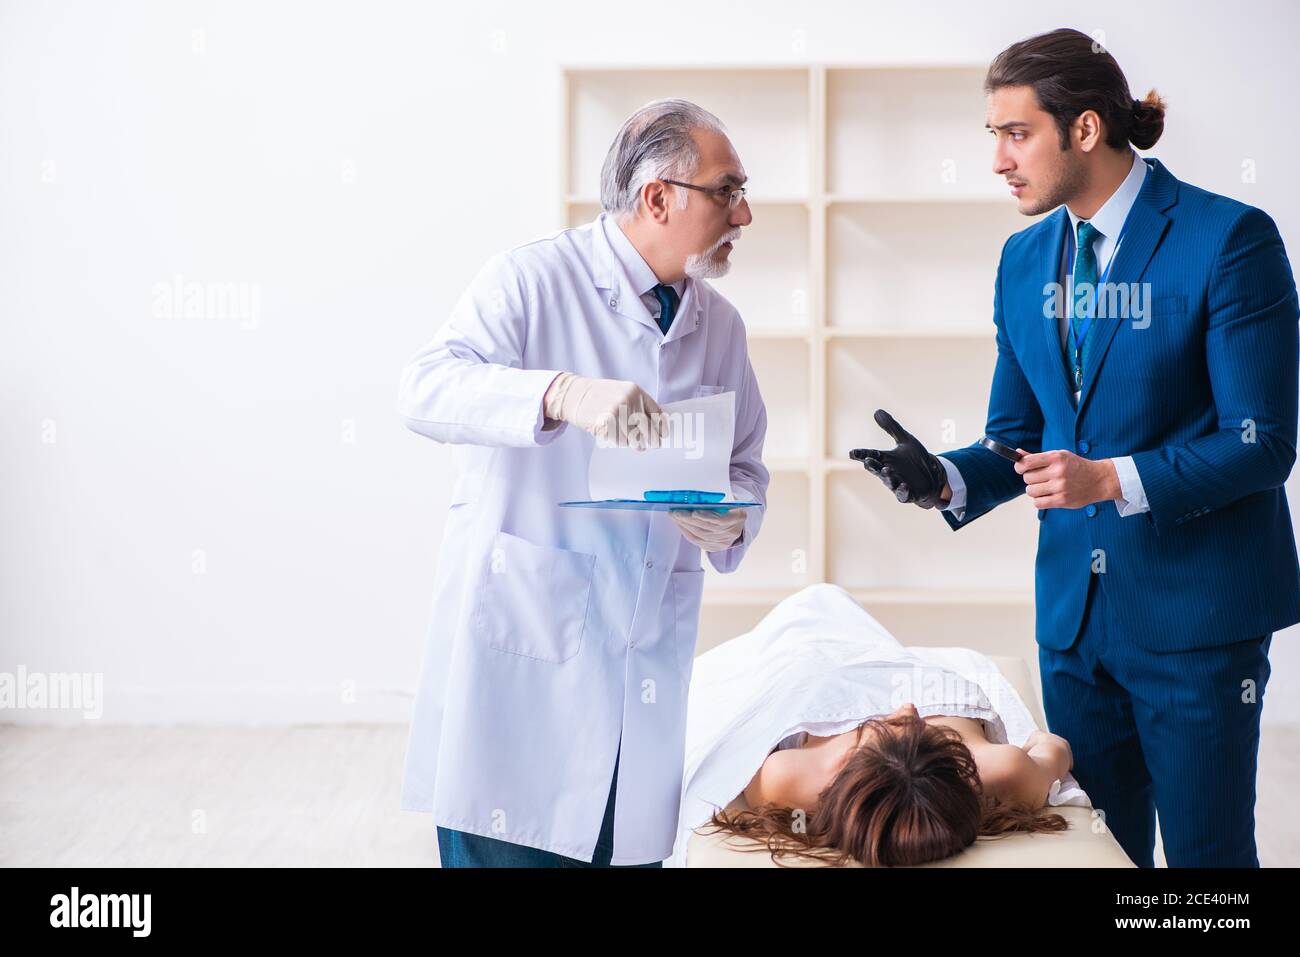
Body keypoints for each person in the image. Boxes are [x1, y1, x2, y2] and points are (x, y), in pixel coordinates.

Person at [851, 28, 1299, 867]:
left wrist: (1112, 479)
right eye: (992, 137)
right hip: (1074, 629)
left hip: (1199, 625)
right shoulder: (1024, 262)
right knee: (1090, 854)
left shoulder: (1230, 240)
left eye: (1015, 134)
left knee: (1207, 865)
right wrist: (943, 477)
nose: (998, 161)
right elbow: (1018, 440)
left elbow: (1263, 442)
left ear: (1085, 129)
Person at [396, 98, 769, 867]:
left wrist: (730, 519)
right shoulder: (532, 280)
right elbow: (424, 389)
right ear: (658, 197)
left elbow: (746, 467)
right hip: (522, 668)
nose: (746, 213)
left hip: (644, 687)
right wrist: (558, 393)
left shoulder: (719, 325)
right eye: (727, 191)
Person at [706, 704, 1071, 867]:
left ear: (845, 763)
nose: (908, 707)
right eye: (926, 730)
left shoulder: (788, 779)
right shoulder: (1002, 771)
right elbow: (1056, 748)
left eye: (879, 729)